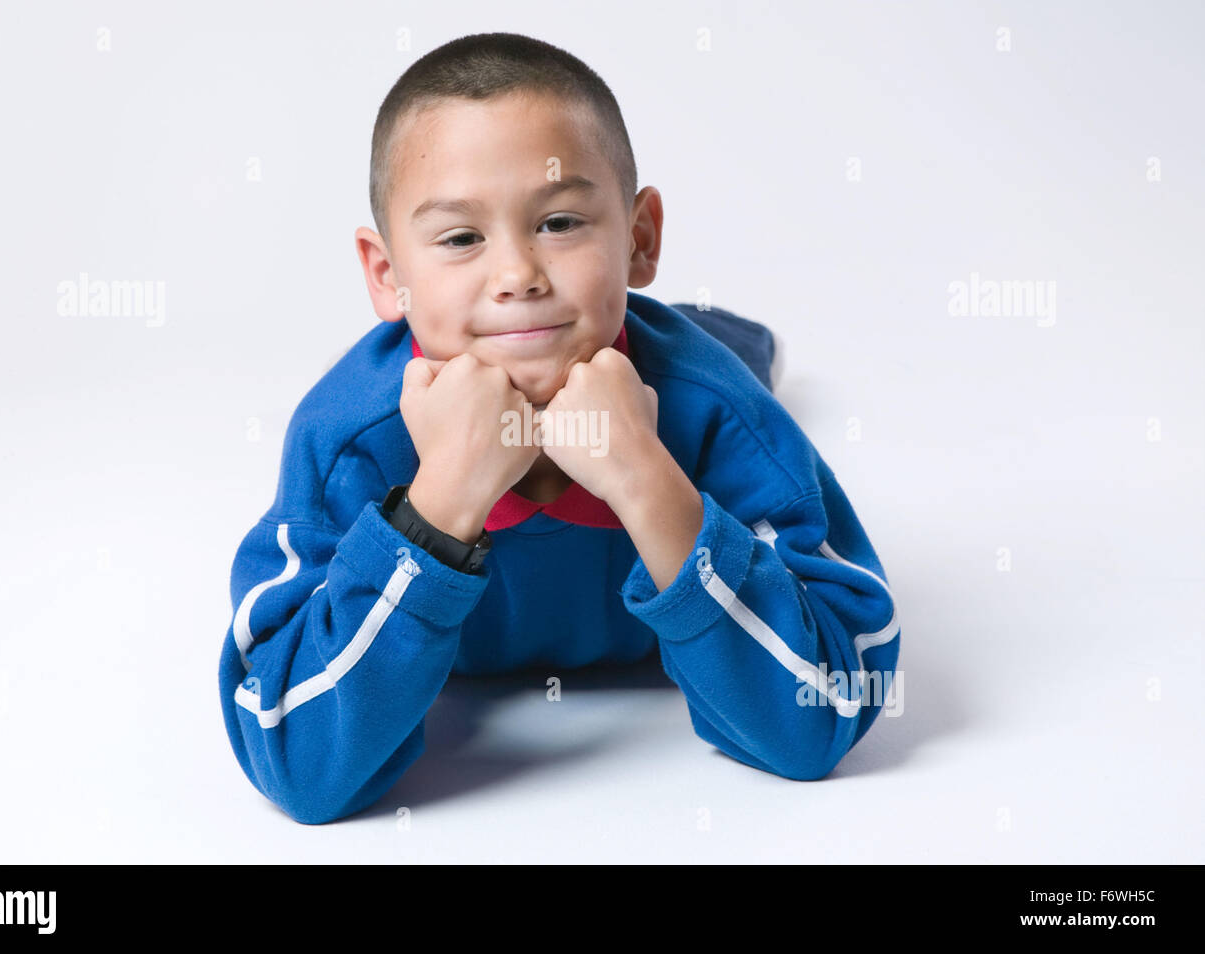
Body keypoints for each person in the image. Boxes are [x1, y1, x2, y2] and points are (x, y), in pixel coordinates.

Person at [216, 32, 901, 824]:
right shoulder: (345, 444)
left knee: (710, 353)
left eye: (561, 222)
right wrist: (437, 505)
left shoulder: (719, 415)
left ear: (640, 239)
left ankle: (717, 330)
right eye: (461, 238)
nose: (517, 276)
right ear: (386, 275)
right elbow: (294, 758)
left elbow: (824, 708)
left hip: (670, 365)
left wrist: (646, 478)